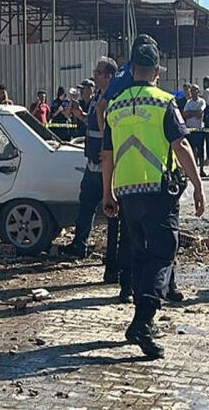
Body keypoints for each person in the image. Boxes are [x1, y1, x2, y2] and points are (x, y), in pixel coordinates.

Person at [102, 41, 205, 359]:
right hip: (158, 190)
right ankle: (143, 322)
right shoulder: (164, 102)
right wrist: (198, 185)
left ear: (132, 69)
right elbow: (181, 146)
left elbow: (106, 155)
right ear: (157, 71)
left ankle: (140, 317)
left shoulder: (114, 106)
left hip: (127, 191)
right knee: (162, 253)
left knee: (140, 255)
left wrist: (107, 192)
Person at [61, 58, 122, 291]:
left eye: (98, 72)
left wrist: (106, 152)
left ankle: (113, 257)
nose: (94, 75)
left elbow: (110, 129)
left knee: (112, 212)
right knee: (86, 204)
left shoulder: (113, 98)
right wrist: (81, 115)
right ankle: (80, 245)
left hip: (105, 163)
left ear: (109, 76)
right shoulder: (98, 96)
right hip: (93, 163)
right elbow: (93, 124)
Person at [183, 85, 207, 177]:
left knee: (200, 150)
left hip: (199, 129)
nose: (193, 92)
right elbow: (185, 114)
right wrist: (194, 113)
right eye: (192, 90)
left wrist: (191, 113)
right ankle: (194, 169)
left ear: (198, 92)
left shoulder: (202, 101)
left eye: (195, 90)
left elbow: (200, 113)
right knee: (192, 150)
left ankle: (201, 170)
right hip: (190, 129)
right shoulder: (188, 102)